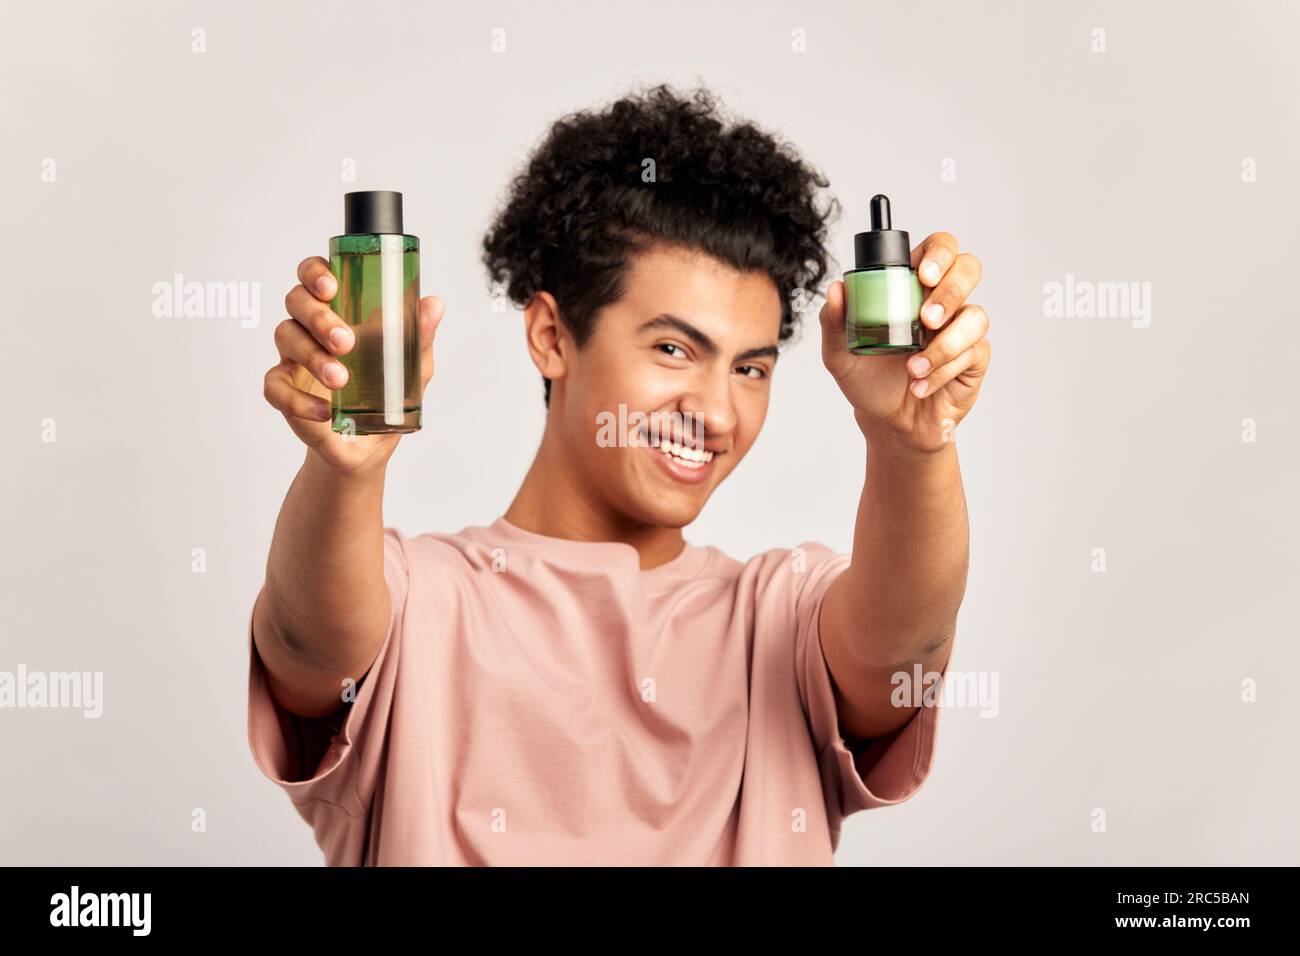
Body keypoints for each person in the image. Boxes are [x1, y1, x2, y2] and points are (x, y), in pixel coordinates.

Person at [248, 83, 991, 865]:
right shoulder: (413, 603)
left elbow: (905, 648)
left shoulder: (777, 622)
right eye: (674, 349)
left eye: (750, 368)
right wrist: (345, 473)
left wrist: (913, 445)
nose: (716, 411)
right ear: (550, 336)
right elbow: (307, 641)